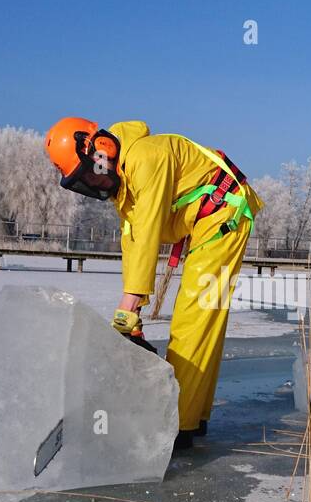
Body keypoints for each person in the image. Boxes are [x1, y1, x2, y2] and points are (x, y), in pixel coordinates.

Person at [45, 117, 263, 450]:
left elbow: (147, 229)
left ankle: (180, 425)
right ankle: (194, 414)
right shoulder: (124, 181)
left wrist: (129, 303)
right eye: (86, 182)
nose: (95, 184)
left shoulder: (146, 158)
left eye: (92, 173)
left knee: (195, 317)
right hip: (202, 220)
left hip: (225, 213)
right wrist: (131, 315)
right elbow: (133, 240)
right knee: (200, 318)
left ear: (100, 148)